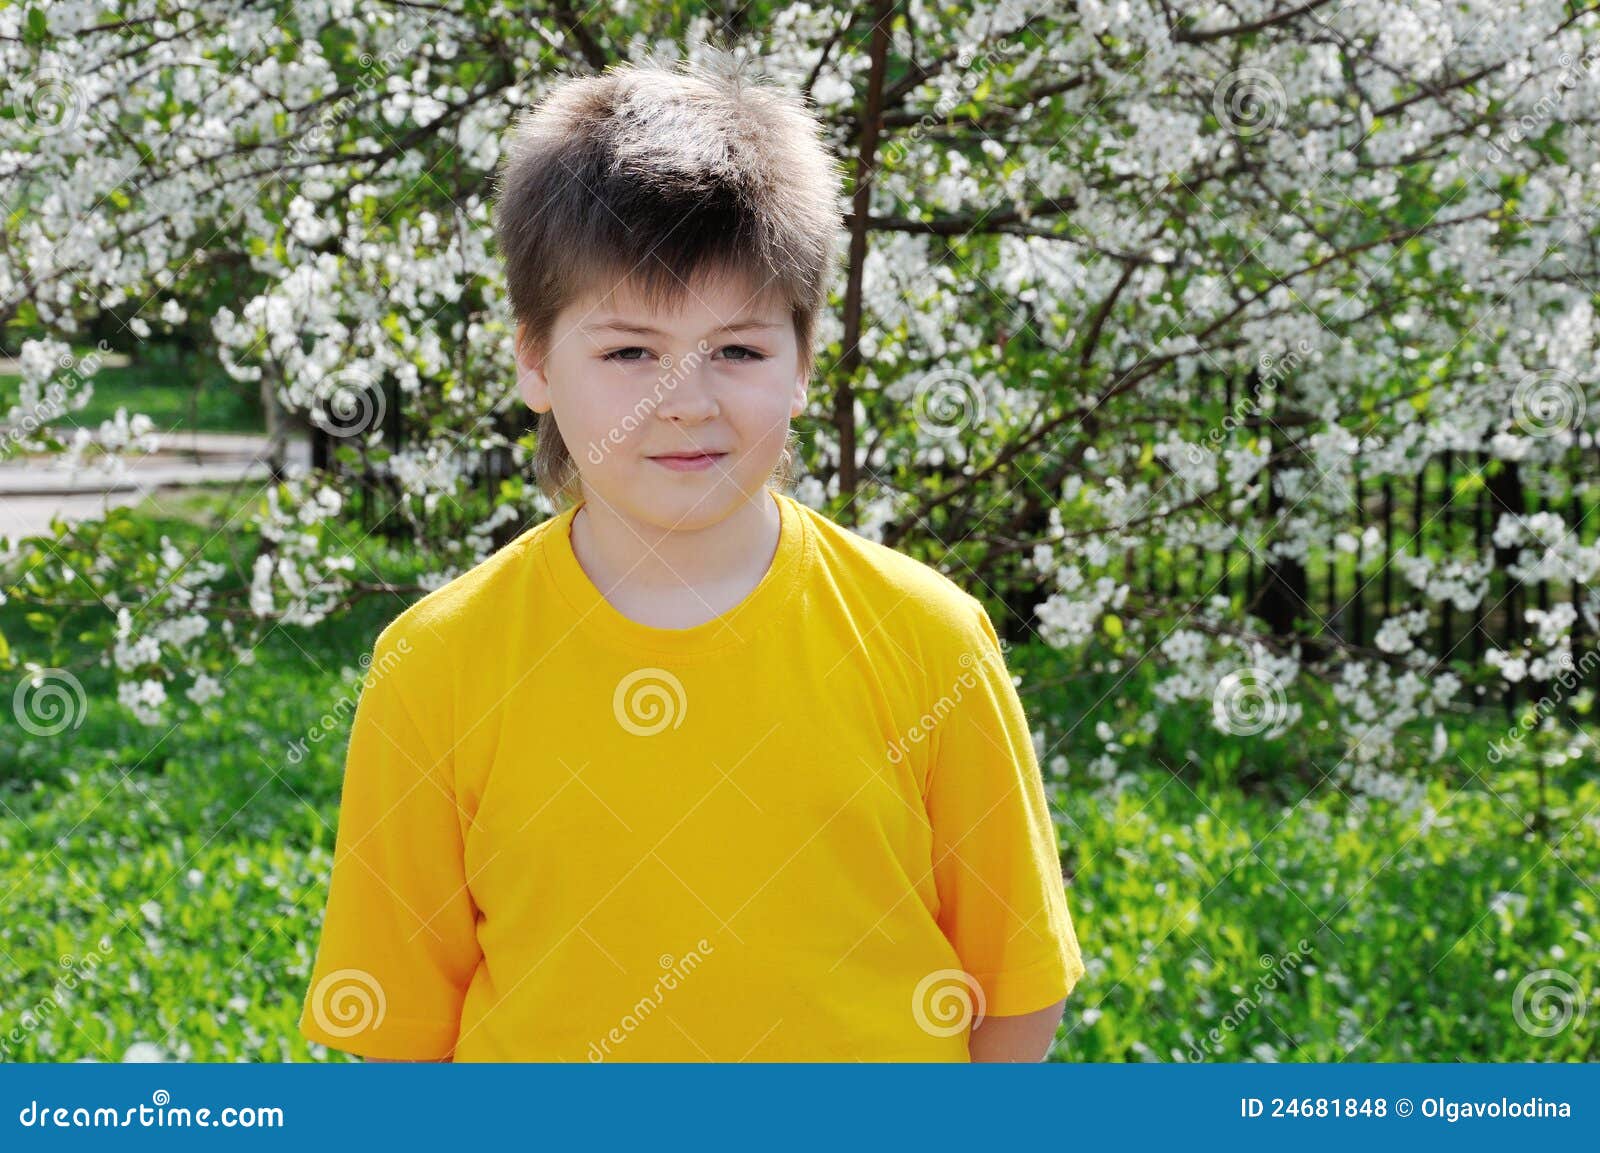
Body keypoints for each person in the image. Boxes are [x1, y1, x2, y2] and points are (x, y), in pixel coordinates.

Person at [297, 47, 1086, 1063]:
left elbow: (1014, 983)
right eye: (629, 351)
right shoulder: (436, 666)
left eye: (738, 350)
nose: (687, 400)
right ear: (534, 361)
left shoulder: (929, 637)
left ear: (802, 364)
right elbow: (401, 1033)